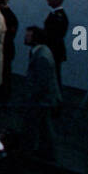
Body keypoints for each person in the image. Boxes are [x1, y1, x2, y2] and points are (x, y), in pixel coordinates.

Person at [22, 26, 60, 161]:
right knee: (44, 126)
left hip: (42, 99)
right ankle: (47, 151)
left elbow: (42, 82)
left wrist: (32, 97)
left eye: (28, 36)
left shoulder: (42, 56)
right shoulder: (41, 52)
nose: (25, 37)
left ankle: (38, 150)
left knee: (36, 125)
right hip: (44, 98)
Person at [0, 0, 18, 100]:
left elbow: (8, 35)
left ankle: (3, 96)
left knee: (3, 74)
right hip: (5, 48)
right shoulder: (8, 15)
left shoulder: (7, 17)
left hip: (4, 49)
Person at [42, 0, 69, 91]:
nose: (48, 0)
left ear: (59, 0)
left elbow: (56, 35)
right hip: (52, 49)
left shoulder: (59, 16)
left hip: (54, 49)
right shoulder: (54, 14)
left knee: (54, 76)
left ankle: (55, 100)